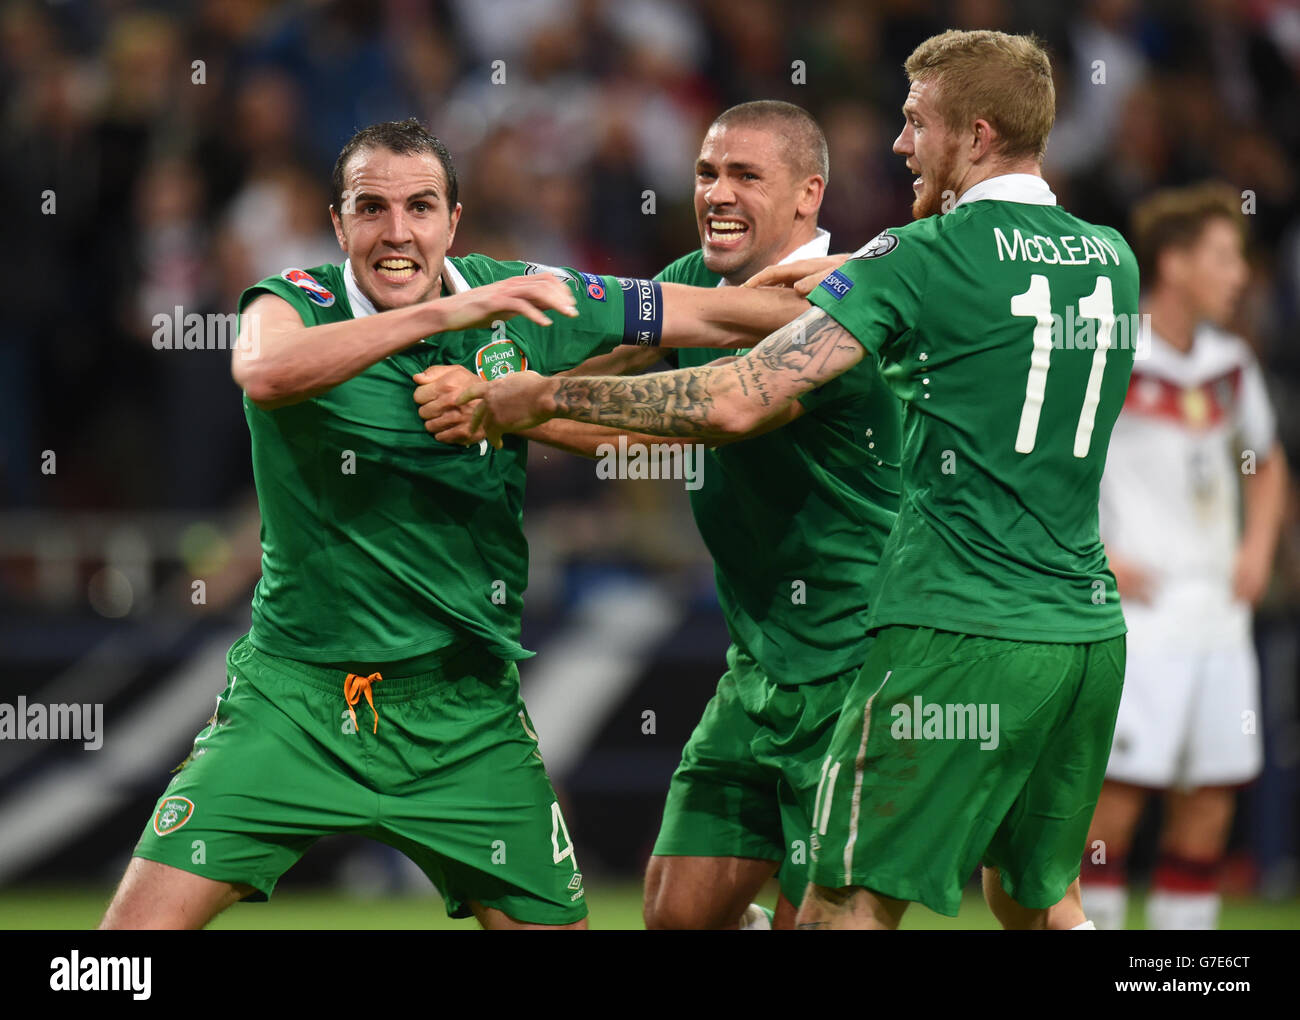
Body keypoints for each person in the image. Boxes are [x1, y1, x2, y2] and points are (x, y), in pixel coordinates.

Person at [455, 29, 1139, 930]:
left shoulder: (917, 259)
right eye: (708, 172)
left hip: (945, 625)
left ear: (974, 136)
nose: (899, 144)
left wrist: (539, 394)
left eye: (914, 123)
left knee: (839, 909)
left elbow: (740, 399)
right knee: (1035, 896)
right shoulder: (1110, 257)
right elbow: (982, 299)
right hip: (1081, 625)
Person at [99, 118, 806, 930]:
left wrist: (866, 286)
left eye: (421, 208)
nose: (397, 232)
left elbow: (704, 316)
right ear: (339, 225)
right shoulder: (292, 300)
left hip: (463, 714)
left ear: (453, 221)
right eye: (371, 208)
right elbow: (263, 371)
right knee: (119, 954)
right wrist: (446, 317)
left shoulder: (518, 294)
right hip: (293, 704)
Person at [418, 100, 900, 930]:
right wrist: (483, 372)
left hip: (857, 662)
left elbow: (720, 409)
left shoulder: (848, 308)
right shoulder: (689, 280)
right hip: (760, 663)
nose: (717, 191)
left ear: (808, 194)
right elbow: (613, 388)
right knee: (675, 916)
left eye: (747, 175)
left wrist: (524, 402)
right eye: (707, 172)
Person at [1081, 183, 1286, 930]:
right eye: (1224, 257)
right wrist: (1095, 552)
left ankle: (1180, 975)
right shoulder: (1107, 352)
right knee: (1116, 804)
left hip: (1220, 613)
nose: (1239, 275)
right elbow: (1051, 460)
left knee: (1210, 802)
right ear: (1173, 263)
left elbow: (1265, 463)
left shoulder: (1232, 364)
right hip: (1139, 612)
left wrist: (1258, 547)